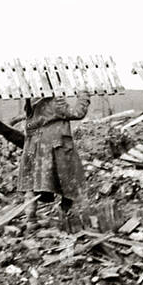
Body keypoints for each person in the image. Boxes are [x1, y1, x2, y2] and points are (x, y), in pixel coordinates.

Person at [19, 88, 90, 229]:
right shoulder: (55, 100)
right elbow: (77, 113)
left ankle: (31, 220)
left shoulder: (32, 100)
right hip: (55, 145)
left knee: (32, 182)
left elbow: (30, 122)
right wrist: (84, 96)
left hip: (33, 145)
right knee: (69, 178)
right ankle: (66, 215)